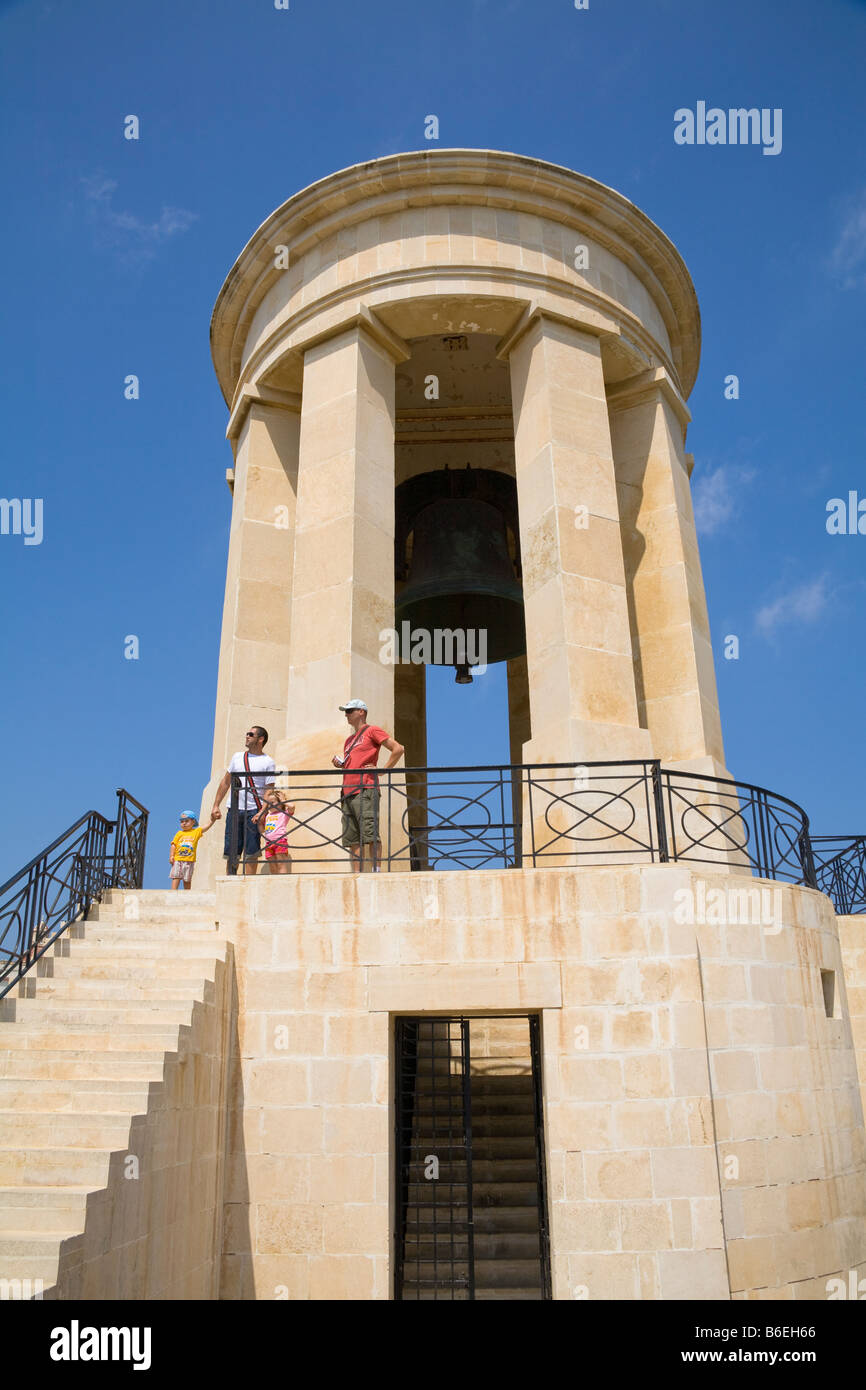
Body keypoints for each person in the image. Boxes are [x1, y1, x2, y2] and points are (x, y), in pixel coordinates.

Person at [332, 699, 404, 873]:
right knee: (352, 837)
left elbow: (398, 748)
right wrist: (341, 764)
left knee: (370, 832)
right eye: (346, 711)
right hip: (348, 790)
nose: (346, 714)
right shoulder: (349, 740)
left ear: (361, 712)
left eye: (350, 711)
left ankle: (376, 871)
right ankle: (356, 873)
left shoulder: (372, 730)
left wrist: (382, 770)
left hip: (365, 788)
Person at [211, 726, 276, 875]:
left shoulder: (268, 762)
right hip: (234, 809)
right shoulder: (237, 757)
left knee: (252, 851)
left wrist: (262, 812)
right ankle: (231, 882)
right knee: (231, 850)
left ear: (261, 739)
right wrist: (216, 805)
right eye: (247, 733)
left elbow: (269, 790)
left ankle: (249, 884)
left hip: (254, 810)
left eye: (251, 734)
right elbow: (226, 782)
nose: (247, 736)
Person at [169, 810, 218, 890]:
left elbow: (206, 827)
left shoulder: (196, 832)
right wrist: (171, 856)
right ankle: (173, 891)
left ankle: (187, 893)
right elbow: (173, 845)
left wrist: (212, 820)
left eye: (186, 821)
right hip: (178, 859)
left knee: (187, 879)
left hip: (189, 861)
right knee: (176, 877)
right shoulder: (179, 833)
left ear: (193, 822)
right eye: (182, 821)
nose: (184, 823)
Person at [253, 786, 296, 875]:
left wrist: (283, 800)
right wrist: (259, 823)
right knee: (272, 867)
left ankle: (282, 882)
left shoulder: (284, 814)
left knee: (281, 864)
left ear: (280, 804)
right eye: (268, 803)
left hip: (280, 841)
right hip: (269, 843)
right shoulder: (268, 816)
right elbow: (262, 830)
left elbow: (292, 806)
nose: (270, 805)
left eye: (272, 802)